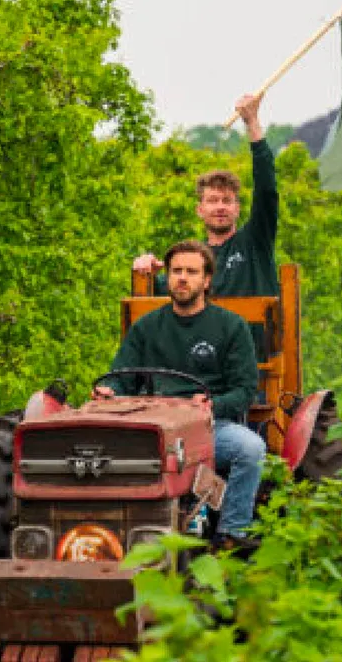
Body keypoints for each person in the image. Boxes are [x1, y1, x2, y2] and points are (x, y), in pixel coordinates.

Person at [95, 240, 263, 549]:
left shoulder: (231, 327)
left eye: (191, 272)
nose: (182, 278)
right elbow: (121, 376)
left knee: (249, 448)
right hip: (153, 426)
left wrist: (214, 404)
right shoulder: (146, 327)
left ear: (207, 280)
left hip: (209, 428)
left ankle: (231, 533)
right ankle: (111, 532)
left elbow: (244, 390)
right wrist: (110, 391)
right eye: (176, 271)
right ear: (168, 278)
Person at [132, 93, 278, 298]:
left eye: (227, 200)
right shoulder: (193, 259)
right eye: (212, 200)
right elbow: (162, 296)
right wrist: (146, 271)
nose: (220, 206)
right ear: (199, 210)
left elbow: (266, 188)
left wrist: (252, 122)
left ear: (237, 208)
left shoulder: (254, 241)